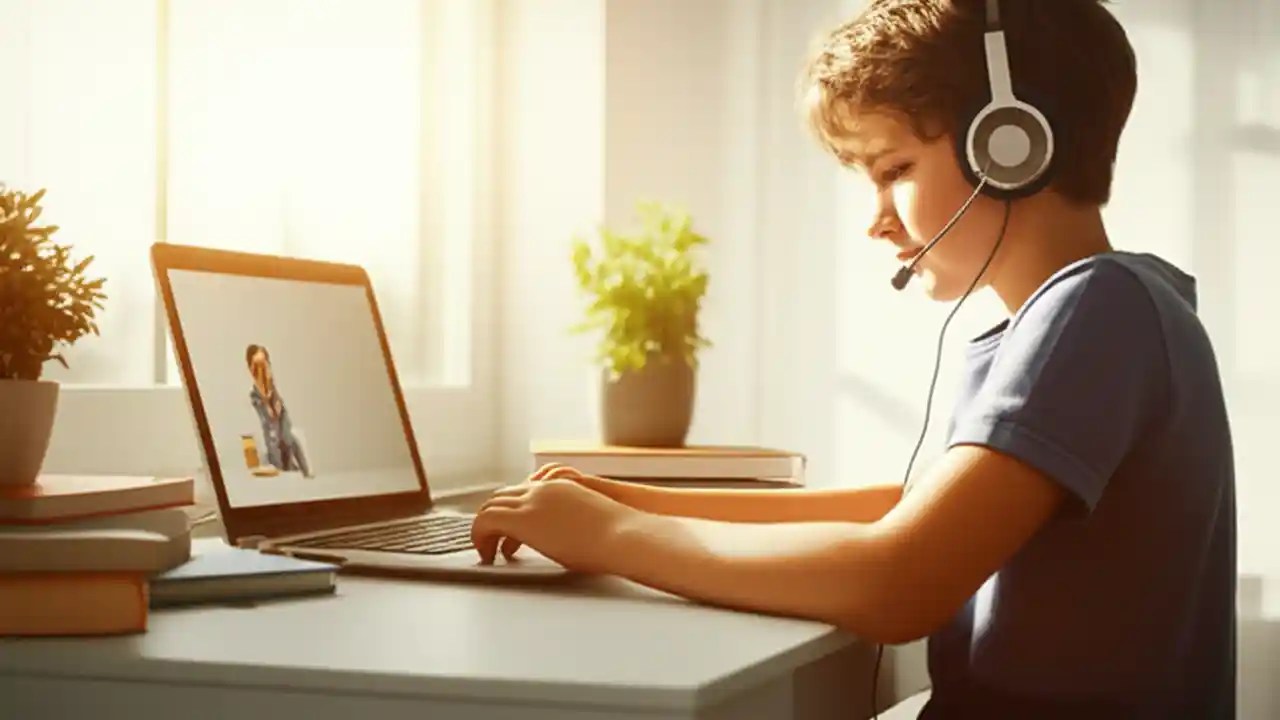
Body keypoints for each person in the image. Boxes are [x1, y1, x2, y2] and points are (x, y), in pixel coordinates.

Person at [470, 1, 1236, 717]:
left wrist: (610, 538)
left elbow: (899, 582)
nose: (876, 221)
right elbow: (906, 510)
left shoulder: (1096, 313)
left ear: (1009, 143)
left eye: (893, 170)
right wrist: (631, 500)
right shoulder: (1101, 311)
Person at [246, 344, 312, 478]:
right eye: (257, 366)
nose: (262, 371)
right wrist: (266, 401)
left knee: (292, 440)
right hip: (270, 468)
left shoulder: (275, 397)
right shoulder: (253, 399)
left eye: (265, 364)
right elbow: (269, 438)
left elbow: (288, 436)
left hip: (288, 466)